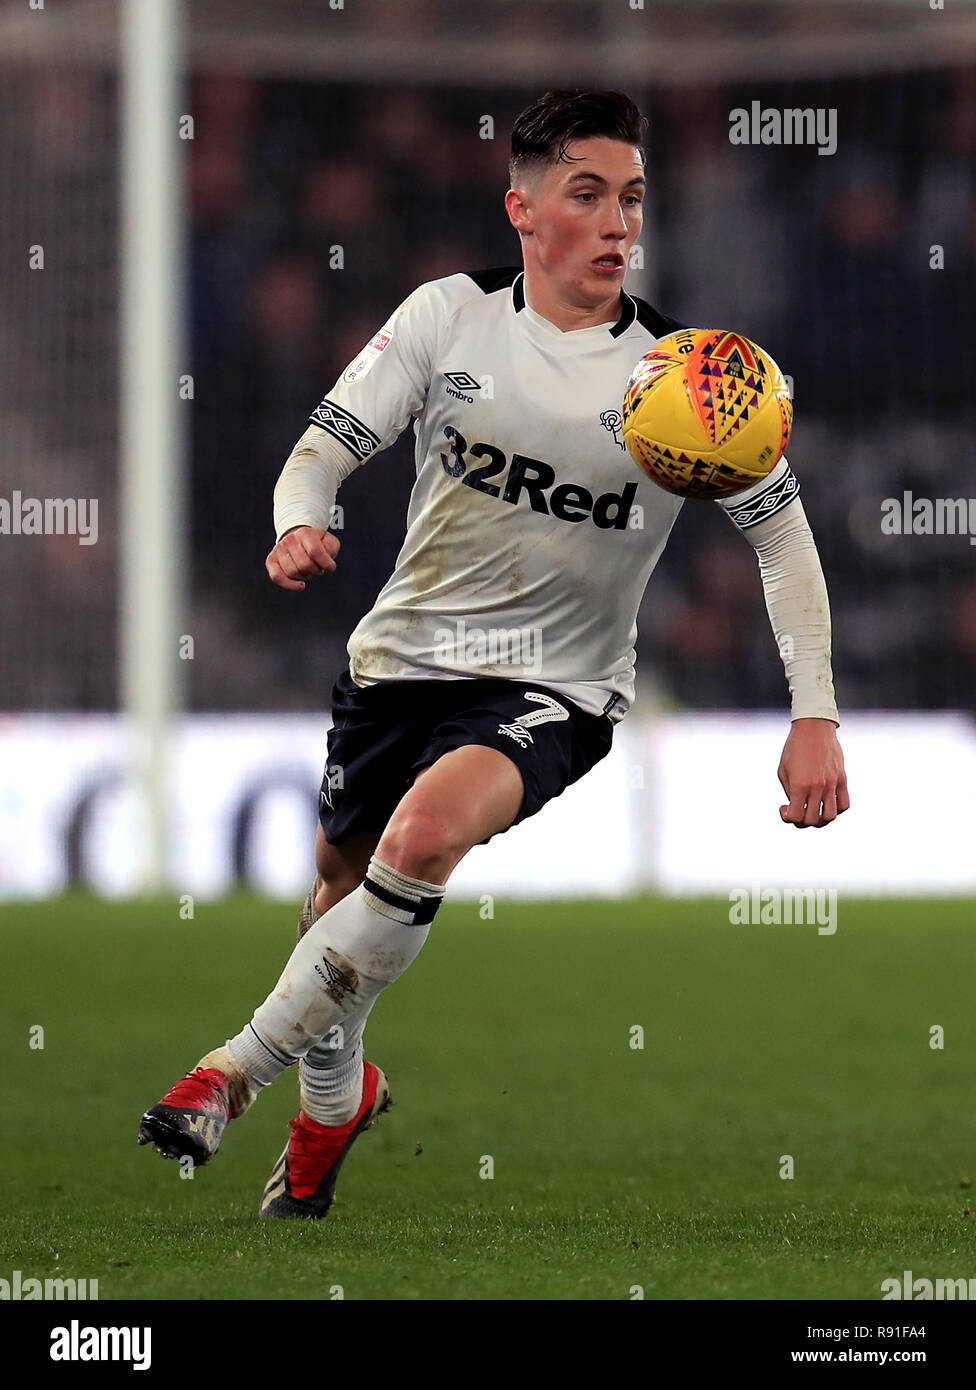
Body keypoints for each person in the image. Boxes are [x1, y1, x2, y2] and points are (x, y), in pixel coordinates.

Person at [138, 89, 849, 1218]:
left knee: (422, 839)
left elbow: (785, 546)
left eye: (633, 199)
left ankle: (229, 1071)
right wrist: (299, 522)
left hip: (554, 689)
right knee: (336, 902)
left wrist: (814, 713)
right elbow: (316, 453)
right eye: (588, 197)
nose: (619, 224)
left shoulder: (691, 379)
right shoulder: (448, 317)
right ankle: (334, 1103)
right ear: (522, 209)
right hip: (399, 663)